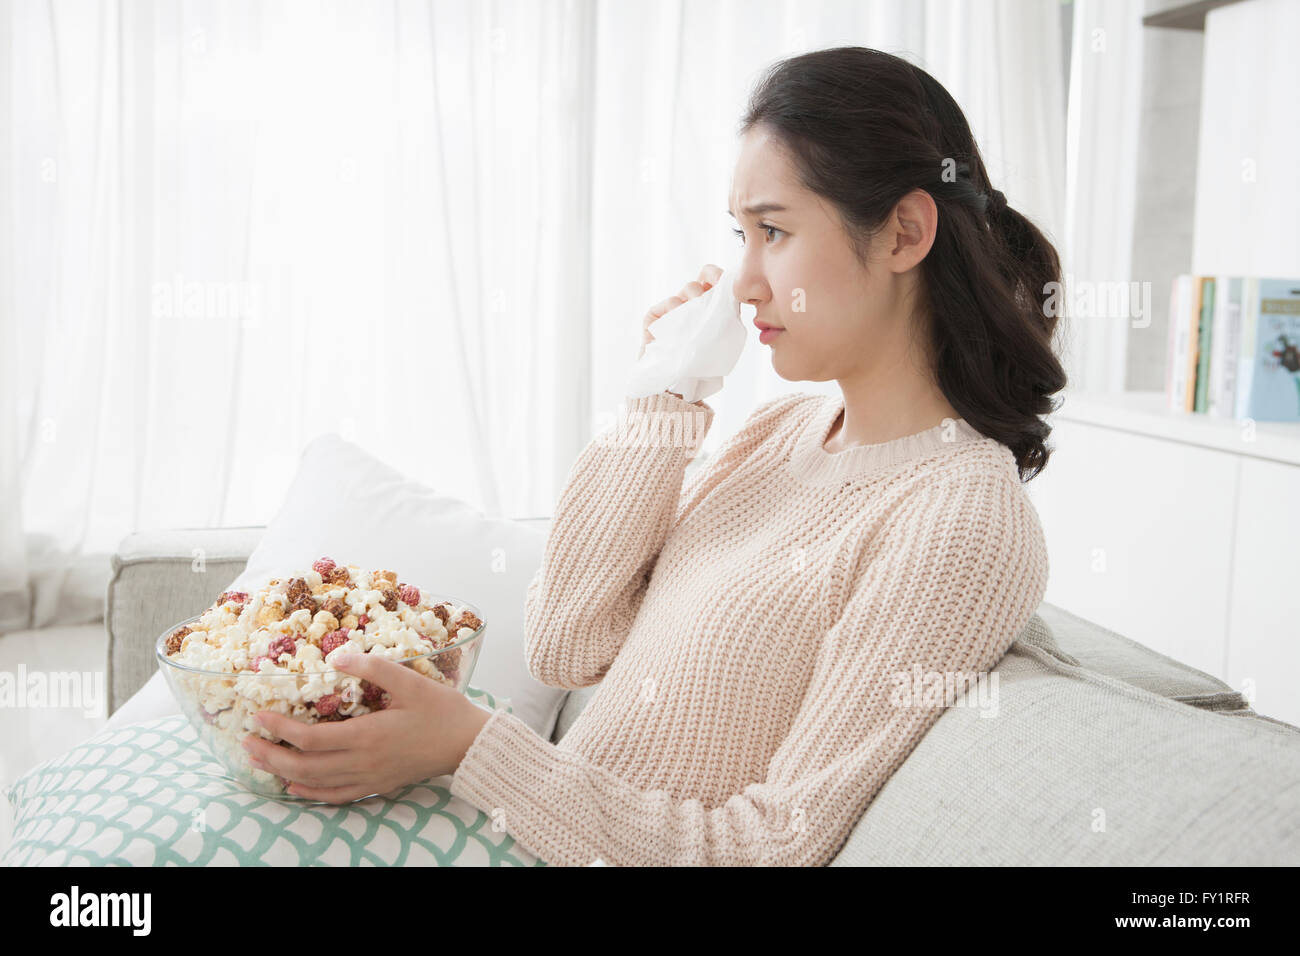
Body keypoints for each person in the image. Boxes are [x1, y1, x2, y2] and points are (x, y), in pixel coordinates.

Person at [244, 45, 1066, 866]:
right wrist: (662, 401)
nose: (743, 282)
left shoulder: (962, 519)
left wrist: (470, 749)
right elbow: (565, 642)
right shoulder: (777, 432)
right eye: (740, 236)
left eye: (773, 231)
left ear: (905, 233)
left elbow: (768, 848)